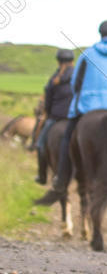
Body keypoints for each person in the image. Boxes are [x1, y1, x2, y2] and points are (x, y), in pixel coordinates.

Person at [35, 23, 107, 205]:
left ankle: (61, 177)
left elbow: (76, 83)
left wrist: (81, 100)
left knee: (68, 137)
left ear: (100, 34)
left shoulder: (87, 55)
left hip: (88, 106)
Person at [31, 48, 75, 186]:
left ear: (58, 61)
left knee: (40, 145)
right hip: (75, 117)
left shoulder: (54, 79)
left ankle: (42, 176)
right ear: (72, 61)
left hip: (56, 118)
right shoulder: (79, 76)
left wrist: (48, 113)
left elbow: (48, 101)